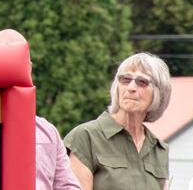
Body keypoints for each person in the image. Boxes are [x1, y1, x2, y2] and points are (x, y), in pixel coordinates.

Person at [0, 30, 81, 190]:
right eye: (0, 61)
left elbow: (68, 186)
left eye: (15, 62)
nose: (8, 70)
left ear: (28, 69)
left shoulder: (47, 131)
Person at [64, 53, 172, 190]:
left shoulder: (159, 149)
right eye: (125, 79)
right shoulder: (86, 137)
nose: (131, 88)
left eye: (142, 82)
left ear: (159, 93)